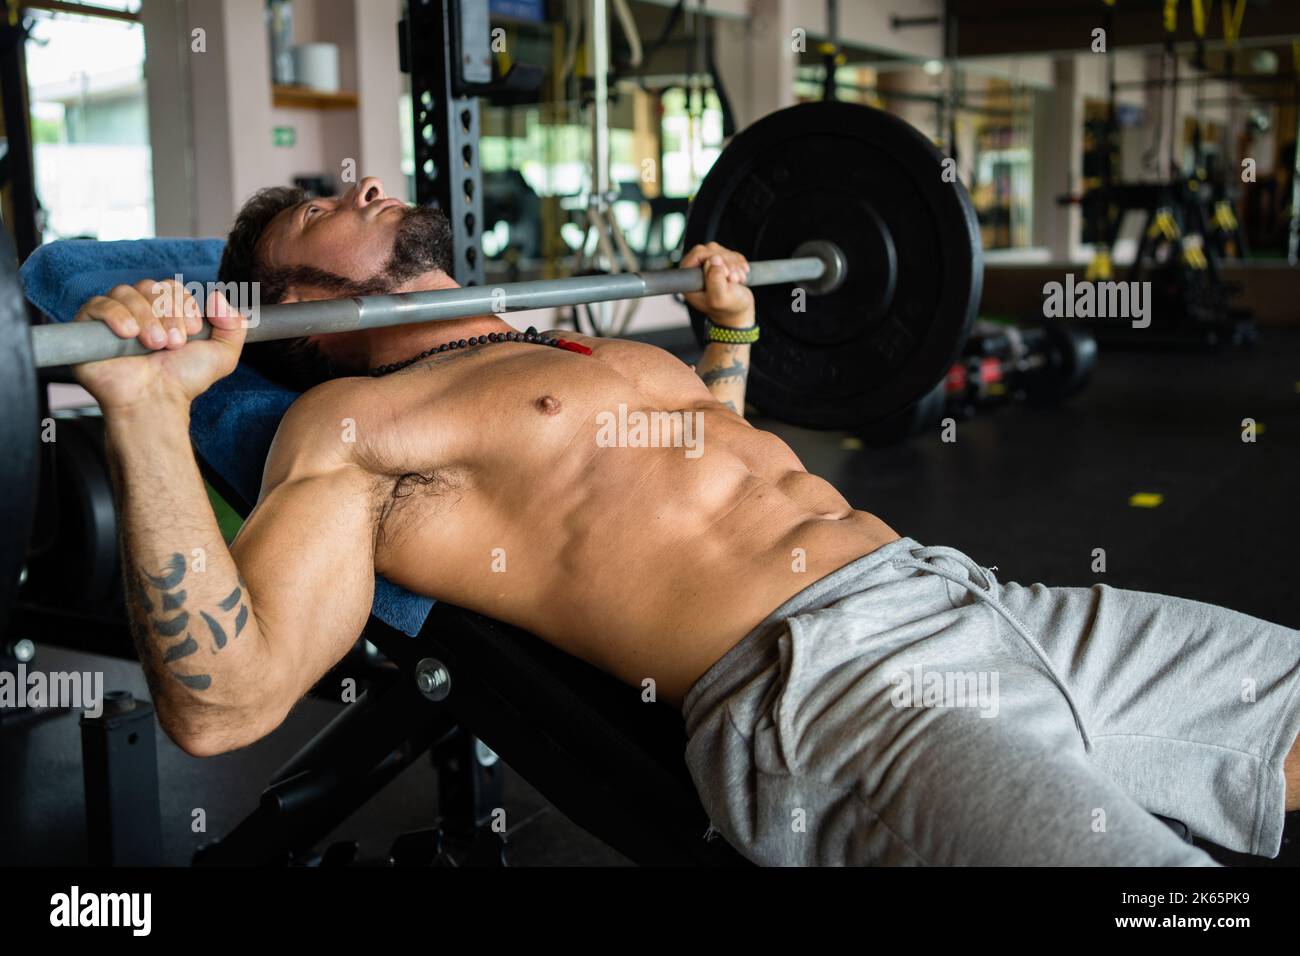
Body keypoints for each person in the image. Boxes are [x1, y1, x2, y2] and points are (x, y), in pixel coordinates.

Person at [71, 177, 1300, 866]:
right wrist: (146, 411)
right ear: (296, 301)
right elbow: (224, 699)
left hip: (971, 595)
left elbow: (690, 473)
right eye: (328, 199)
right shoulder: (352, 421)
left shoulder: (570, 341)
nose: (374, 180)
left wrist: (727, 342)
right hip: (837, 691)